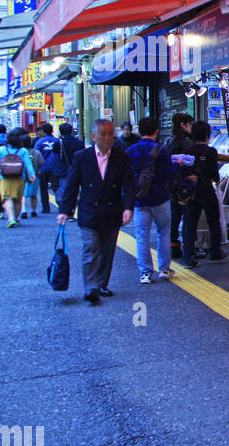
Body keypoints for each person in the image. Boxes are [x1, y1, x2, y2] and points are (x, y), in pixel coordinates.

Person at [57, 119, 135, 305]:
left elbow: (129, 185)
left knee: (107, 251)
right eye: (103, 134)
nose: (107, 138)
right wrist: (65, 210)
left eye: (110, 134)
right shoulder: (81, 157)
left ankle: (101, 284)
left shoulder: (121, 157)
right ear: (94, 136)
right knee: (90, 248)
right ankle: (90, 287)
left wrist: (128, 207)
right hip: (89, 211)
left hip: (112, 211)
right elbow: (72, 185)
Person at [127, 116, 176, 283]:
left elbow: (126, 178)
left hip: (140, 200)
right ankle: (164, 269)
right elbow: (168, 175)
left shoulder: (130, 151)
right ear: (156, 131)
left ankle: (146, 273)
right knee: (163, 232)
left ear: (139, 131)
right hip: (160, 198)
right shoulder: (161, 150)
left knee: (142, 235)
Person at [180, 120, 227, 267]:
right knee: (213, 220)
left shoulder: (188, 151)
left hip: (192, 190)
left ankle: (188, 257)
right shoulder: (211, 151)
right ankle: (215, 252)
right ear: (207, 135)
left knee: (190, 224)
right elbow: (214, 174)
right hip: (206, 189)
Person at [164, 113, 195, 259]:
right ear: (183, 124)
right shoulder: (187, 142)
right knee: (188, 217)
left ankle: (173, 246)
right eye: (189, 124)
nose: (191, 127)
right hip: (185, 184)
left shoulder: (168, 140)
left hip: (171, 183)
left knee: (174, 217)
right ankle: (189, 249)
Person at [0, 128, 35, 228]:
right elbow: (28, 164)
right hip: (19, 177)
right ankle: (16, 218)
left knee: (7, 198)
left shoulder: (1, 150)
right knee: (17, 199)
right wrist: (32, 175)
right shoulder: (23, 150)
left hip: (4, 178)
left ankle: (10, 218)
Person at [47, 122, 84, 209]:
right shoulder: (79, 142)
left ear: (61, 132)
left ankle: (66, 207)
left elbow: (55, 152)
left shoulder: (59, 143)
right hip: (77, 169)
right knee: (75, 189)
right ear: (71, 131)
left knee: (65, 187)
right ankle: (72, 207)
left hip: (64, 169)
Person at [33, 123, 59, 213]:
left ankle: (46, 208)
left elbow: (36, 155)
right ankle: (61, 204)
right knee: (56, 187)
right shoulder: (57, 141)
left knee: (43, 188)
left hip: (43, 168)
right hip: (55, 167)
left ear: (43, 131)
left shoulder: (39, 142)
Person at [19, 131, 44, 219]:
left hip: (22, 176)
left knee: (23, 194)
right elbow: (41, 162)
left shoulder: (20, 152)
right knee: (34, 194)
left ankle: (24, 210)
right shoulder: (36, 152)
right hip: (35, 175)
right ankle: (33, 211)